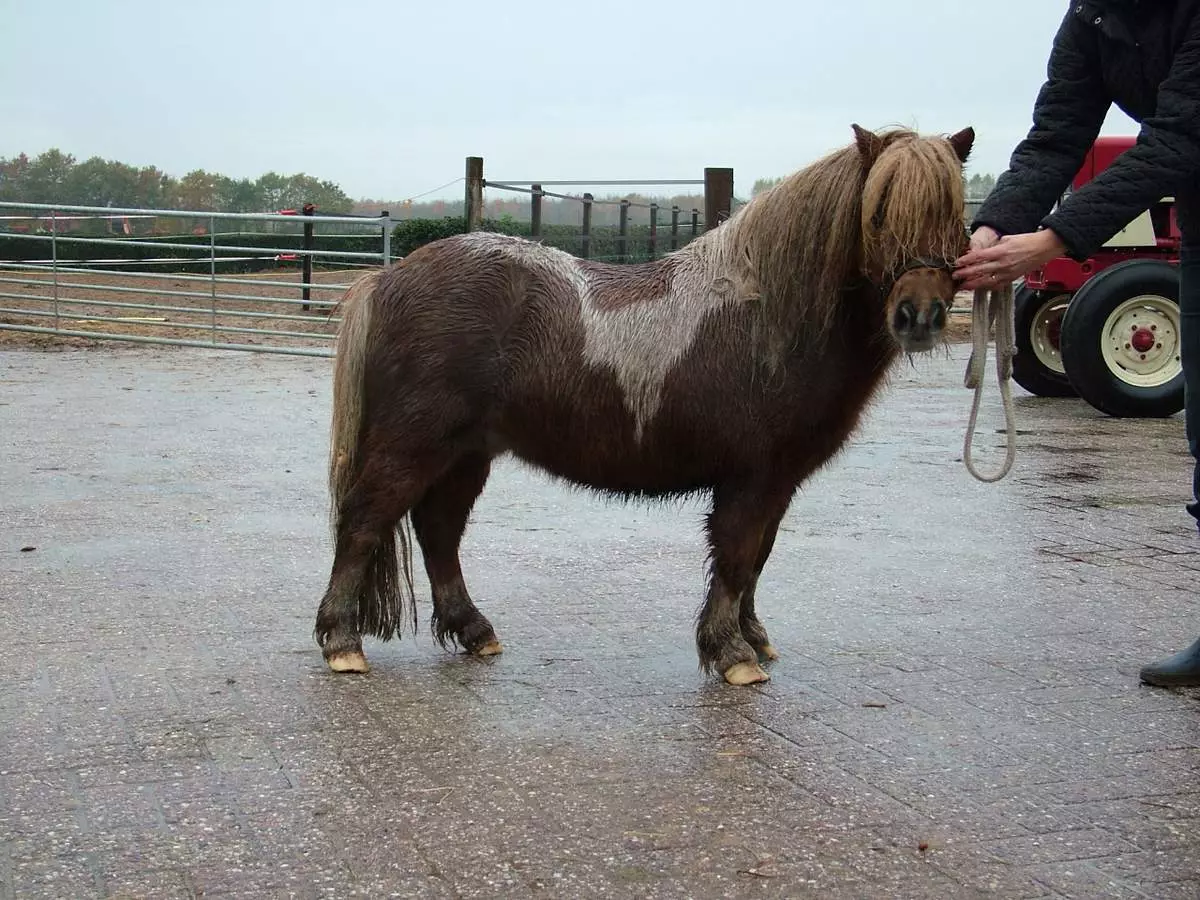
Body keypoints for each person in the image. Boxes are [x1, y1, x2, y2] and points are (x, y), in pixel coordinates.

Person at [953, 0, 1200, 688]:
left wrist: (1058, 237)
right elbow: (1056, 135)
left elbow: (1179, 136)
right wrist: (996, 226)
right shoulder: (1093, 16)